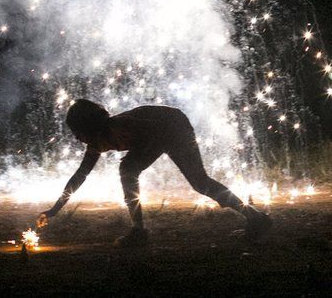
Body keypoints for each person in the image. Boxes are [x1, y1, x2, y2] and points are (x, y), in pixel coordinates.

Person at [37, 99, 271, 247]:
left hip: (174, 126)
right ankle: (256, 218)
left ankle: (139, 233)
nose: (78, 139)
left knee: (198, 182)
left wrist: (135, 160)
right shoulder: (97, 142)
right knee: (198, 182)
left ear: (90, 127)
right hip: (166, 129)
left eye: (78, 133)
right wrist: (55, 209)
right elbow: (80, 176)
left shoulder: (120, 126)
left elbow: (157, 134)